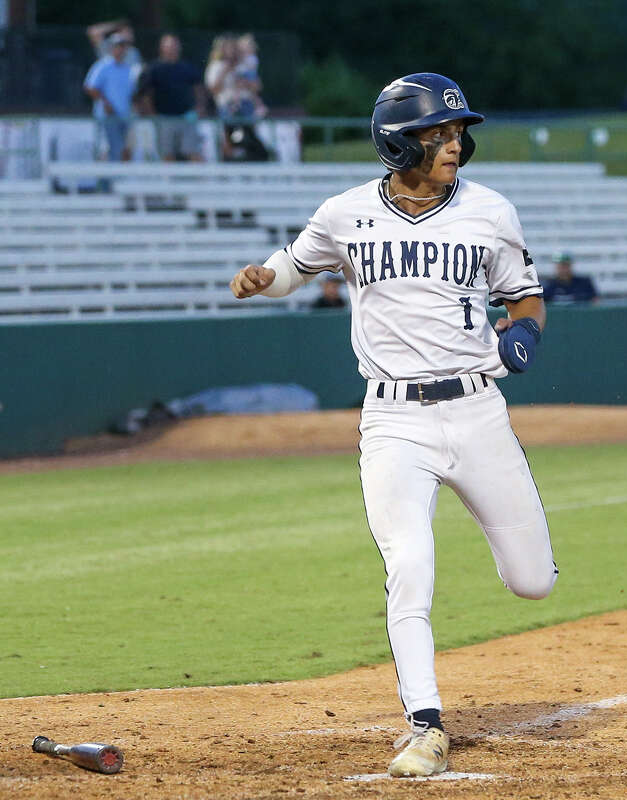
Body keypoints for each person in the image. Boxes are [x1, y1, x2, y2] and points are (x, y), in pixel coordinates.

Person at [228, 73, 556, 779]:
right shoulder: (346, 212)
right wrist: (265, 278)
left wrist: (524, 334)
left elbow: (525, 297)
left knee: (533, 583)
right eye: (440, 133)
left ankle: (513, 576)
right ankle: (426, 723)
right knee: (409, 561)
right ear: (399, 141)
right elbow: (295, 264)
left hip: (477, 412)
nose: (455, 144)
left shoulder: (490, 211)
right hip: (392, 419)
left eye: (458, 132)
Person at [136, 34, 205, 162]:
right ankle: (168, 181)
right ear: (162, 48)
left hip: (187, 118)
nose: (172, 49)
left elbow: (199, 89)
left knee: (193, 151)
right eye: (169, 46)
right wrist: (152, 114)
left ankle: (200, 182)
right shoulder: (153, 69)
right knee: (167, 154)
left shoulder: (187, 67)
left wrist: (199, 107)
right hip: (164, 118)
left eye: (174, 45)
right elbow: (145, 94)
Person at [84, 31, 138, 162]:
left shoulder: (128, 68)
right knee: (111, 150)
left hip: (125, 117)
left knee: (125, 150)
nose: (121, 49)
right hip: (107, 117)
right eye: (118, 46)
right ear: (111, 47)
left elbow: (132, 93)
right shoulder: (103, 66)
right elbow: (90, 87)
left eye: (123, 46)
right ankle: (106, 181)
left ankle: (119, 180)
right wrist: (105, 103)